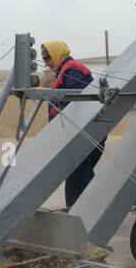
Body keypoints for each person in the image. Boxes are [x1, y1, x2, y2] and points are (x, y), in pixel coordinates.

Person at [41, 40, 103, 208]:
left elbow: (77, 104)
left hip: (85, 132)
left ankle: (82, 212)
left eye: (48, 58)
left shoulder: (72, 70)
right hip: (84, 131)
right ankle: (88, 210)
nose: (46, 63)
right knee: (80, 174)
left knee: (78, 175)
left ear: (57, 54)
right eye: (44, 59)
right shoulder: (64, 71)